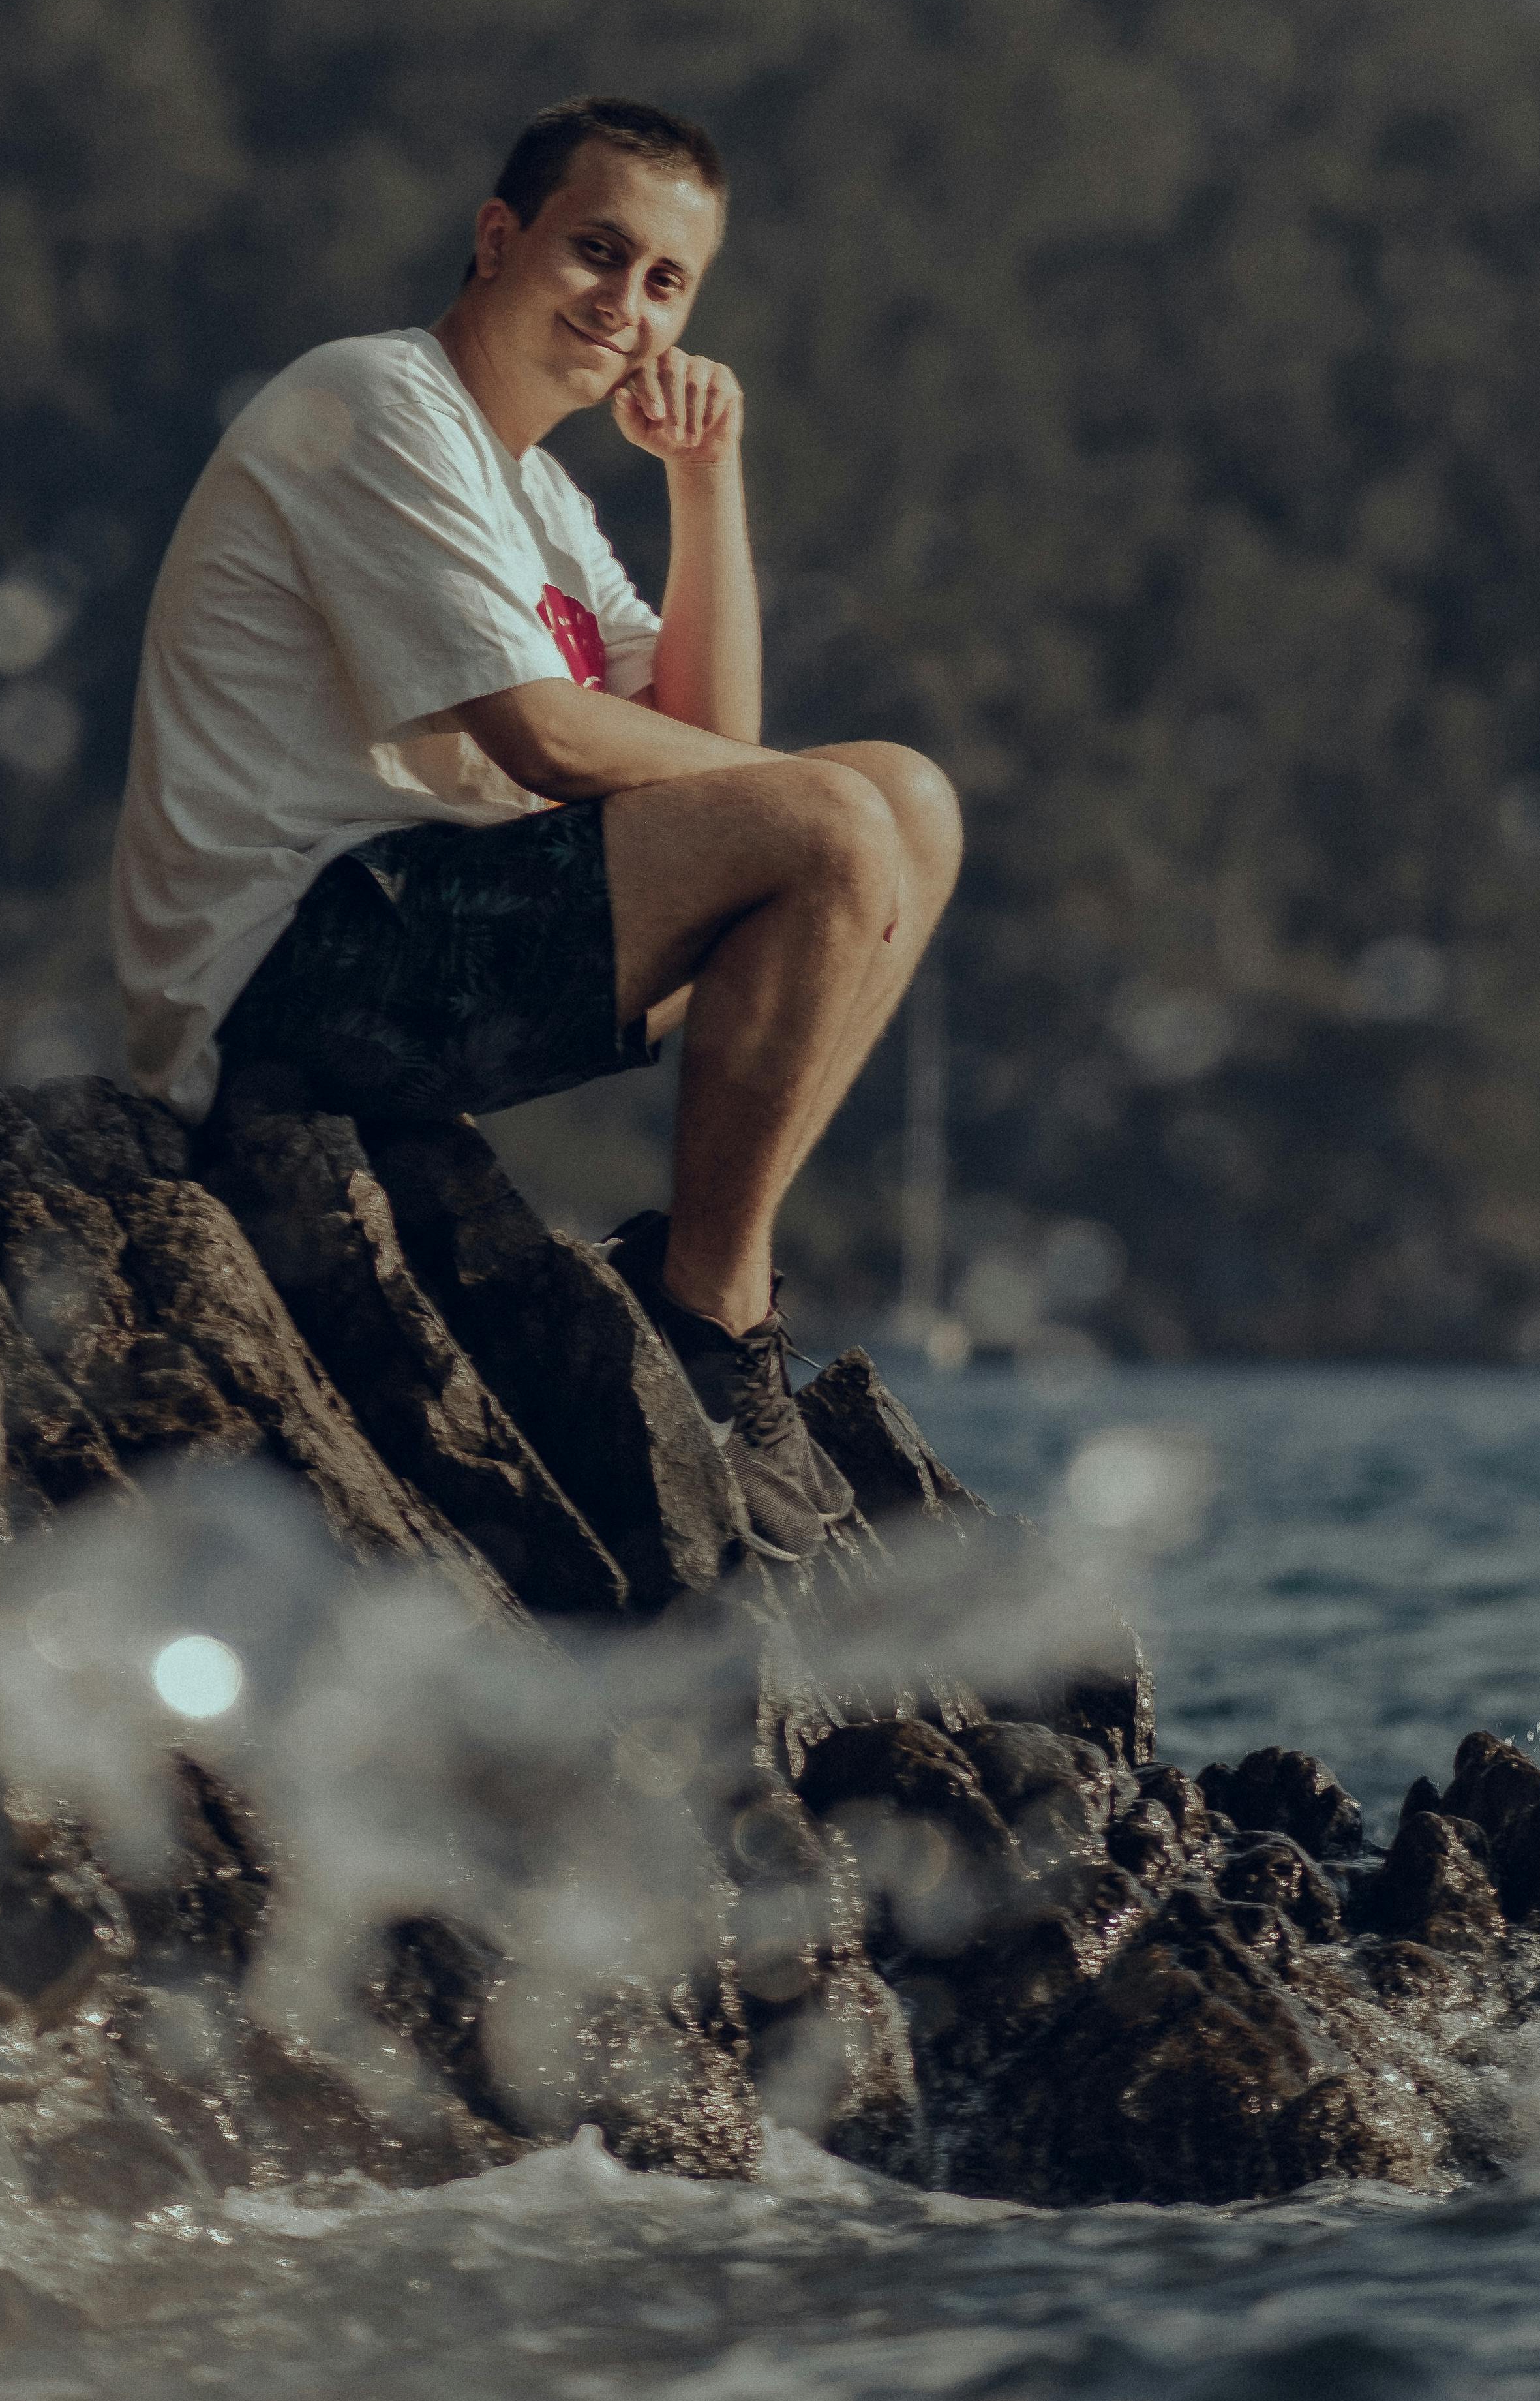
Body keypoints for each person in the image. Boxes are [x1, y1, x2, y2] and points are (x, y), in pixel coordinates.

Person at [109, 94, 961, 1557]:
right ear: (499, 237)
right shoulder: (377, 402)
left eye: (666, 282)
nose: (627, 306)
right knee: (836, 818)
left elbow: (715, 755)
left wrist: (705, 478)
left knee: (907, 805)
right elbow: (546, 739)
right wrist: (810, 819)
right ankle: (712, 1331)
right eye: (598, 251)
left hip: (426, 936)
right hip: (285, 979)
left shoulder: (542, 496)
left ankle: (715, 1290)